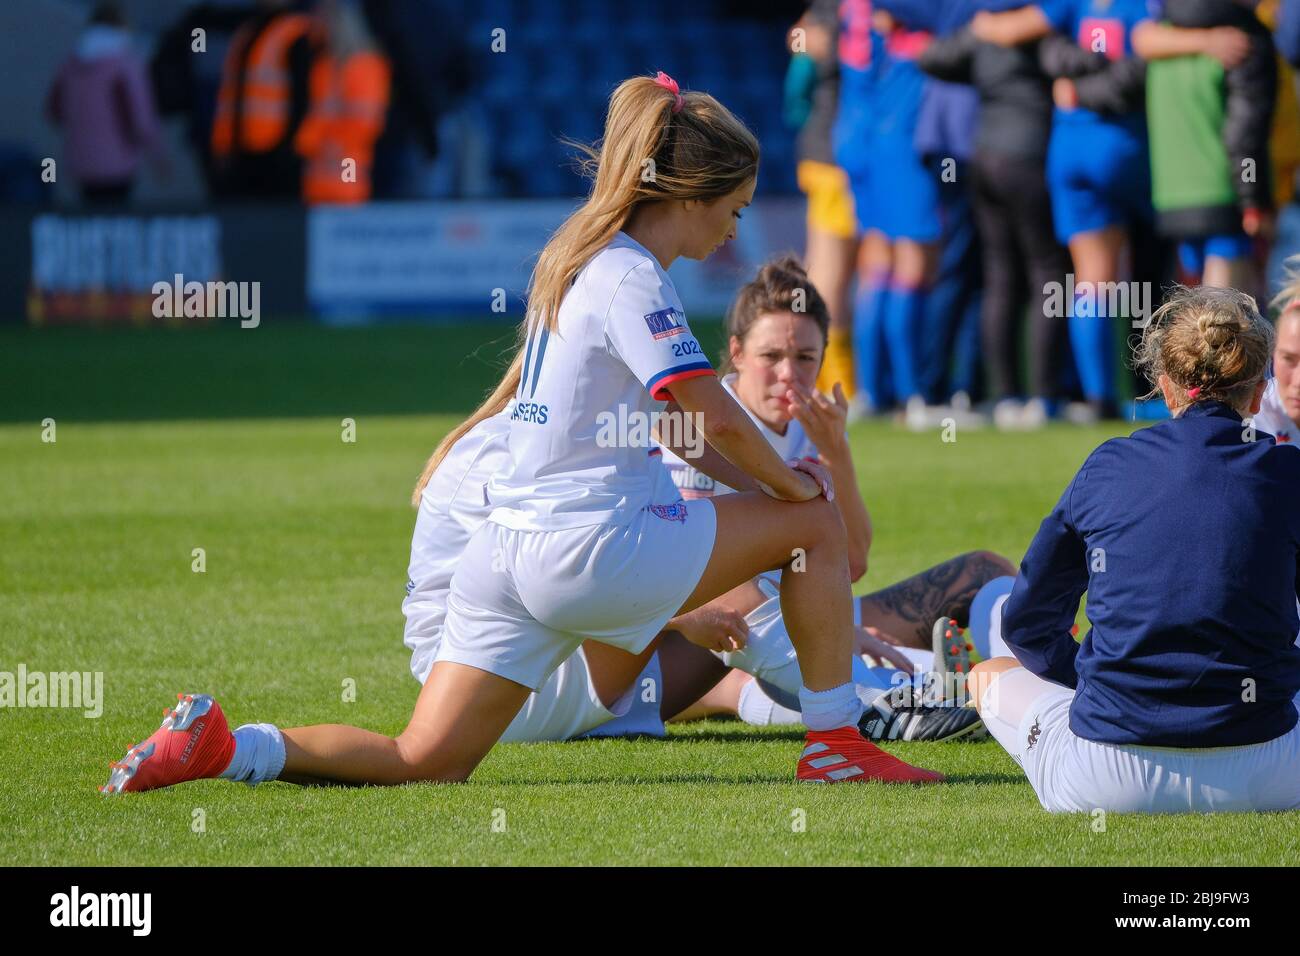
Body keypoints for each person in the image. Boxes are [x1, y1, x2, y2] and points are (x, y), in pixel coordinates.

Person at [102, 72, 945, 796]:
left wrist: (773, 489)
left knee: (422, 759)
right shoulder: (631, 276)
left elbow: (679, 434)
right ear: (688, 197)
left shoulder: (583, 256)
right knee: (815, 527)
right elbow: (713, 413)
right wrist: (799, 492)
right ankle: (838, 745)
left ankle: (229, 747)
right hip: (587, 551)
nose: (735, 228)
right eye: (733, 208)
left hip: (504, 557)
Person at [970, 284, 1300, 813]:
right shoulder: (1288, 474)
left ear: (1165, 387)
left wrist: (1089, 679)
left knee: (986, 673)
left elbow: (1027, 623)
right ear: (1259, 395)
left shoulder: (1108, 465)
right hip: (1270, 771)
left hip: (1109, 774)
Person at [972, 1, 1166, 421]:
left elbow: (1039, 41)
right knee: (1155, 273)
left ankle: (1098, 397)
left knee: (1091, 280)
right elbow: (1143, 64)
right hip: (1124, 145)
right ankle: (1152, 392)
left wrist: (985, 23)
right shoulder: (1143, 7)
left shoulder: (1070, 6)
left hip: (1068, 146)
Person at [1138, 0, 1276, 297]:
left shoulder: (1161, 34)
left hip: (1172, 196)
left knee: (1195, 312)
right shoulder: (1242, 38)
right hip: (1224, 196)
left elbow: (1123, 73)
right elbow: (1245, 134)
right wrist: (1252, 199)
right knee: (1223, 316)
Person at [45, 1, 163, 203]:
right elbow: (140, 117)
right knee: (116, 215)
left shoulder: (70, 65)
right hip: (119, 161)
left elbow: (54, 111)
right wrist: (158, 155)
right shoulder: (125, 65)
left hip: (79, 161)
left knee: (90, 214)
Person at [210, 0, 316, 199]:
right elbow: (231, 96)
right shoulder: (248, 30)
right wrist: (223, 145)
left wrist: (291, 147)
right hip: (241, 150)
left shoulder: (296, 31)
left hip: (276, 151)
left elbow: (304, 97)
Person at [294, 0, 391, 203]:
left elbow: (366, 123)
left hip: (348, 164)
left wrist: (333, 144)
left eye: (323, 18)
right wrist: (308, 143)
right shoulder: (323, 67)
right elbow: (317, 114)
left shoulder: (365, 65)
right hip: (316, 171)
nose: (316, 24)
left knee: (346, 221)